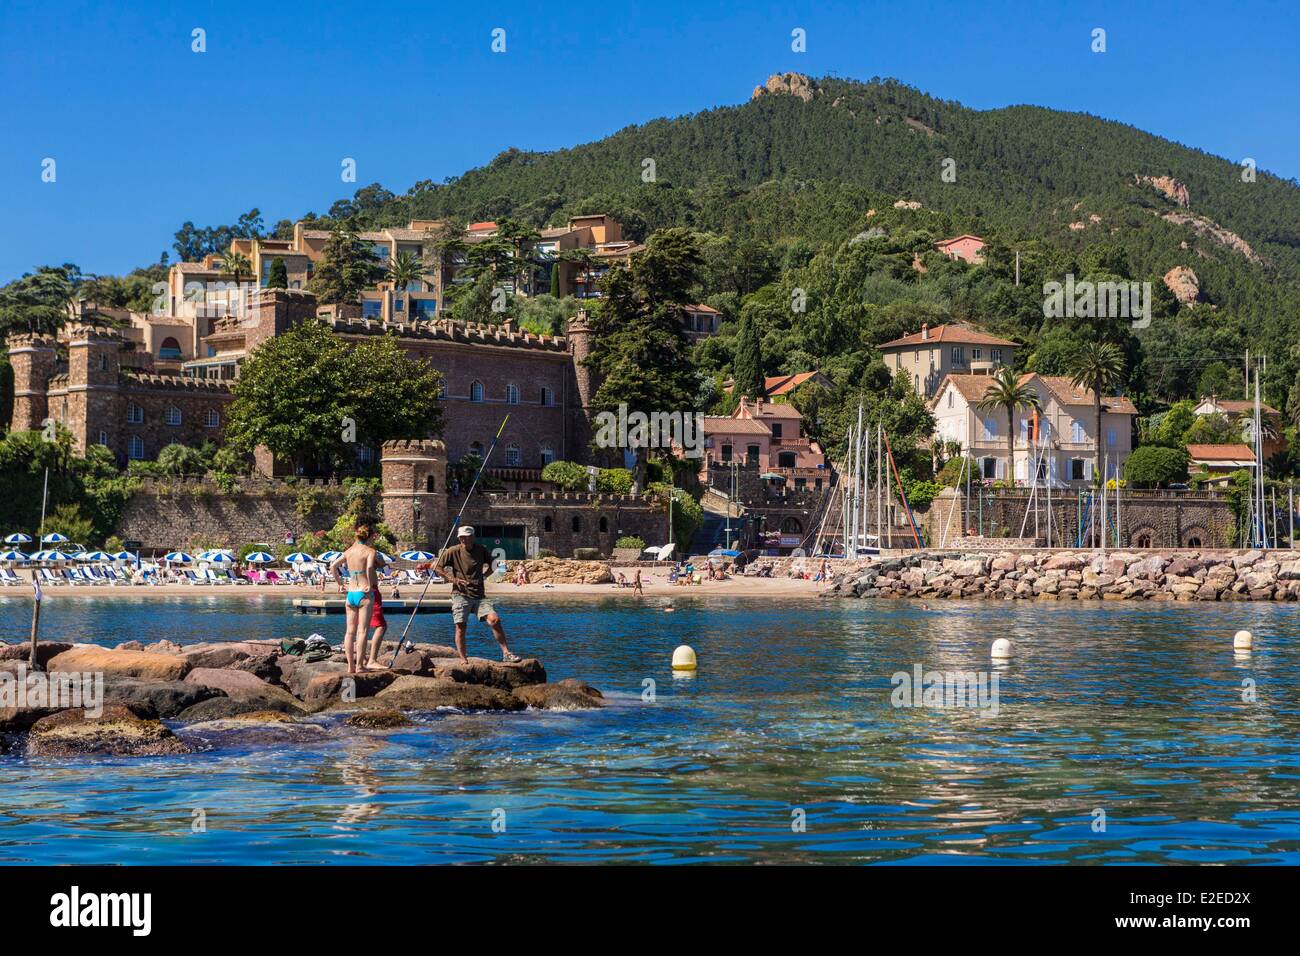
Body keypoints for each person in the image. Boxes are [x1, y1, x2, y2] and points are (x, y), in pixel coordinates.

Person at [434, 525, 521, 665]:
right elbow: (437, 566)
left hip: (479, 595)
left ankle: (506, 653)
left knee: (495, 620)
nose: (463, 539)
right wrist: (452, 579)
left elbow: (494, 564)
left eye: (466, 536)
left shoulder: (481, 550)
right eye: (461, 537)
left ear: (473, 537)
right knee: (461, 627)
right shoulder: (453, 551)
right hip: (460, 594)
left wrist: (484, 576)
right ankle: (463, 658)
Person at [329, 515, 380, 675]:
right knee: (362, 631)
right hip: (364, 593)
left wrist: (340, 584)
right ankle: (360, 666)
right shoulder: (370, 551)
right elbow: (370, 568)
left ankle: (350, 666)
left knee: (349, 631)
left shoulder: (349, 551)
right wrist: (371, 584)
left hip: (350, 593)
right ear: (369, 536)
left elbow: (333, 566)